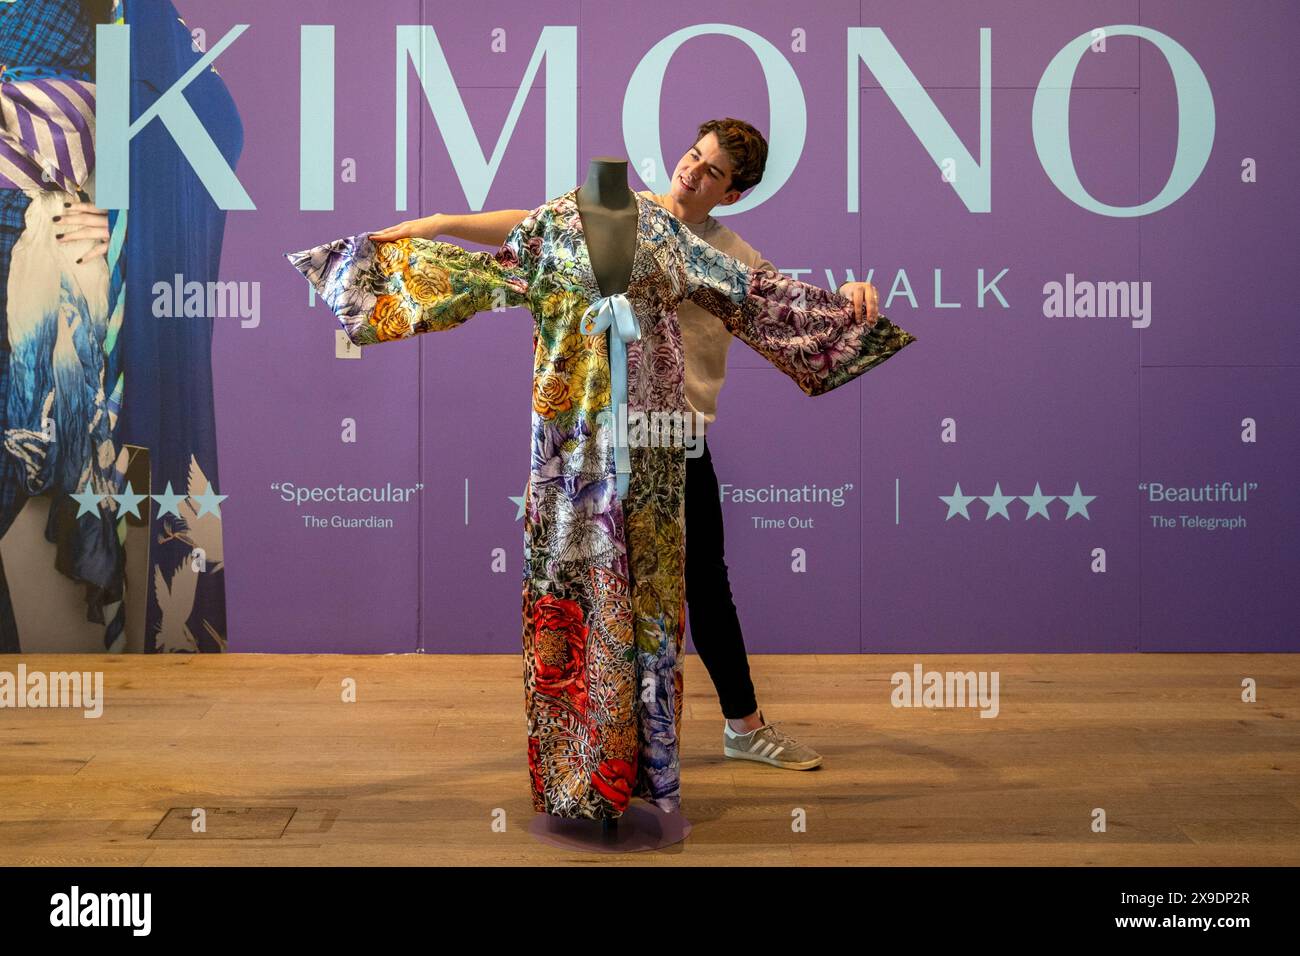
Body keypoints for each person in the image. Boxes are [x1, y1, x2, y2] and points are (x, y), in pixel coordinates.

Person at [370, 118, 881, 771]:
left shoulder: (731, 255)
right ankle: (599, 747)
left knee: (703, 584)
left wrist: (850, 298)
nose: (692, 171)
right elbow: (532, 226)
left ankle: (743, 727)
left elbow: (790, 309)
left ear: (732, 193)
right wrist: (439, 221)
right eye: (694, 156)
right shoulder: (626, 213)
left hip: (674, 440)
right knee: (593, 584)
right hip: (597, 438)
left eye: (713, 171)